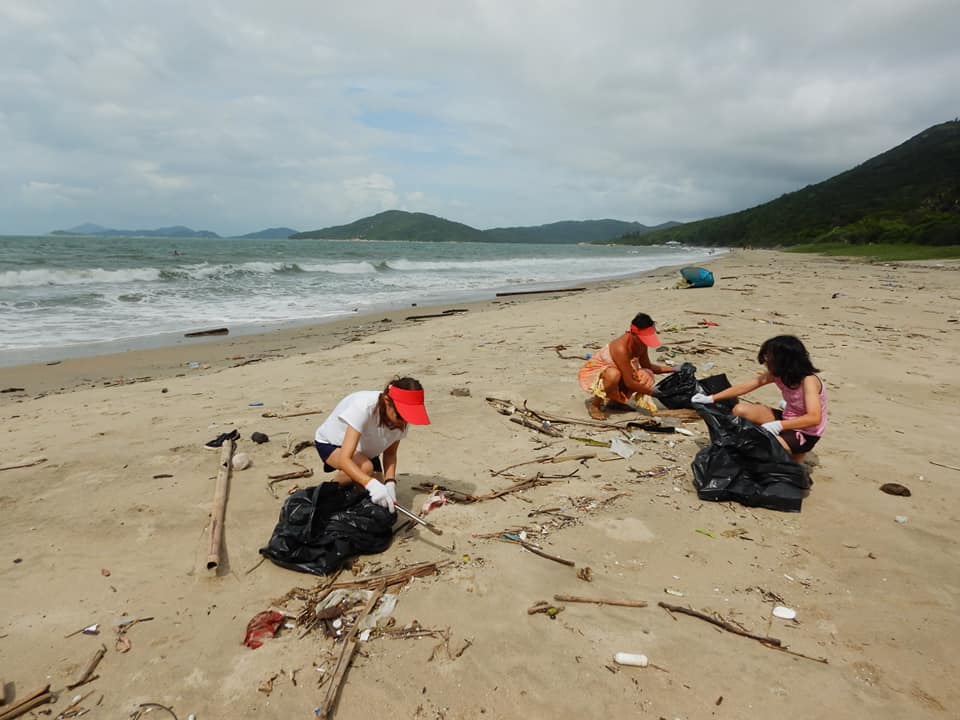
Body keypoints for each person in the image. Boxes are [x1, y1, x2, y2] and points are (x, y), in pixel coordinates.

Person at [691, 335, 827, 463]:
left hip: (805, 431)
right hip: (788, 418)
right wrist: (711, 398)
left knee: (767, 447)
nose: (767, 361)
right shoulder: (778, 374)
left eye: (770, 358)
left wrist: (778, 426)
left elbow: (814, 417)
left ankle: (795, 455)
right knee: (740, 410)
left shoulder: (808, 380)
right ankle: (790, 451)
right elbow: (745, 387)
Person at [314, 377, 430, 513]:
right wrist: (369, 483)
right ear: (387, 402)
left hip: (366, 450)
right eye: (400, 416)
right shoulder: (364, 406)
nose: (403, 422)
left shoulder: (402, 420)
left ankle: (354, 488)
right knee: (365, 469)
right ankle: (329, 490)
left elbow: (390, 453)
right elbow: (345, 459)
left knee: (380, 494)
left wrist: (390, 483)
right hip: (332, 443)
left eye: (407, 417)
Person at [578, 312, 675, 420]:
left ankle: (615, 402)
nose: (645, 342)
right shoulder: (620, 348)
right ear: (633, 334)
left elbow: (648, 366)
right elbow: (629, 383)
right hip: (599, 374)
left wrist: (675, 369)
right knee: (614, 375)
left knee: (646, 373)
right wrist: (654, 392)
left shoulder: (641, 345)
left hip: (622, 371)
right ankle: (595, 405)